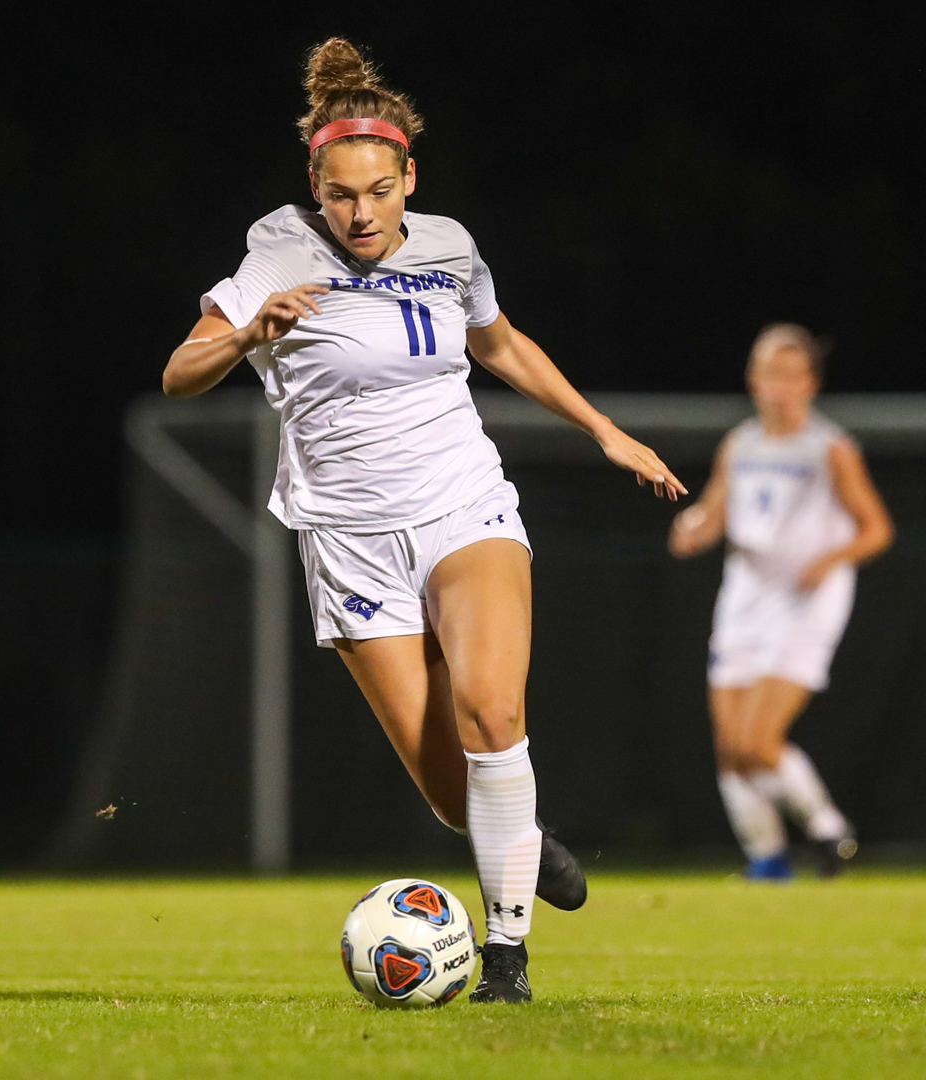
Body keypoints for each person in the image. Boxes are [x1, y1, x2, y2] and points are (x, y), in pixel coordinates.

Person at [162, 39, 683, 1003]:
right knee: (452, 793)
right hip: (350, 540)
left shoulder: (450, 245)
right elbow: (178, 375)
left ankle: (508, 961)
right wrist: (246, 332)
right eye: (340, 194)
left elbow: (502, 345)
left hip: (461, 504)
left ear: (410, 178)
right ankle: (525, 844)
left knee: (493, 712)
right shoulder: (276, 246)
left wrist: (606, 432)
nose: (359, 212)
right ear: (315, 186)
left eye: (377, 189)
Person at [670, 324, 893, 880]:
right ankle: (767, 860)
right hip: (745, 597)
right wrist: (692, 528)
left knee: (756, 740)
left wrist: (829, 559)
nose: (779, 386)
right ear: (752, 379)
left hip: (806, 603)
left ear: (811, 384)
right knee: (729, 747)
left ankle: (828, 828)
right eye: (769, 372)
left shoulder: (830, 449)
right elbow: (714, 512)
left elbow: (877, 529)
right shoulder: (740, 444)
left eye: (791, 374)